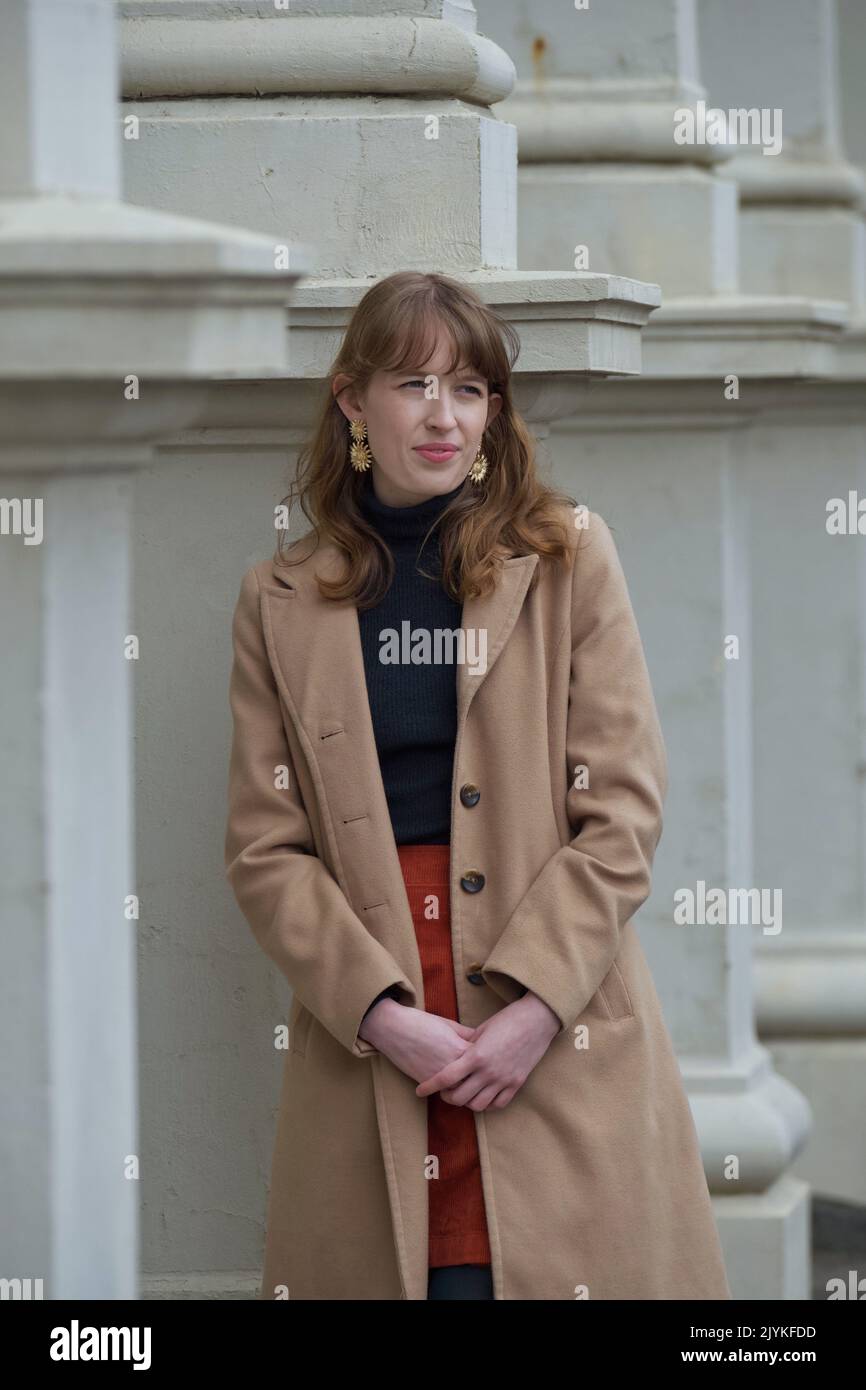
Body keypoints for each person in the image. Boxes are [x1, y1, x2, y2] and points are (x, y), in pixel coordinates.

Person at [224, 270, 732, 1301]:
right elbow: (262, 847)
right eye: (412, 383)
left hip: (547, 1005)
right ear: (352, 400)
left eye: (468, 389)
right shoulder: (278, 596)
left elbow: (622, 808)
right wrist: (378, 1011)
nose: (442, 415)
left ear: (493, 411)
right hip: (376, 1018)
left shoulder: (564, 556)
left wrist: (536, 1006)